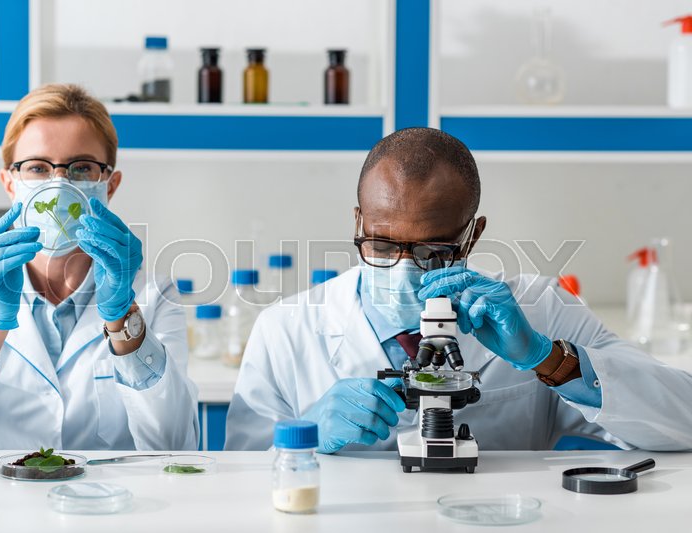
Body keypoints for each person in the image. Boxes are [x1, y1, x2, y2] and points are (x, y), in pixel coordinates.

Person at [225, 127, 692, 453]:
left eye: (433, 249)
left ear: (472, 235)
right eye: (383, 244)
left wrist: (545, 357)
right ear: (358, 222)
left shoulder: (541, 310)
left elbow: (683, 420)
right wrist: (306, 431)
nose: (405, 268)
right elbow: (239, 485)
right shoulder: (285, 329)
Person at [0, 84, 198, 450]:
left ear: (110, 186)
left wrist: (122, 319)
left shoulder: (154, 295)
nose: (60, 183)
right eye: (37, 167)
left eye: (81, 167)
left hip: (112, 505)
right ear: (10, 183)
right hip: (0, 507)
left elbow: (175, 447)